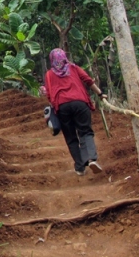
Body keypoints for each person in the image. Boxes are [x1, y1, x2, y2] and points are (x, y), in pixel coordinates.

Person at [40, 48, 107, 176]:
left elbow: (49, 94)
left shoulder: (49, 74)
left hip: (62, 107)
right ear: (64, 57)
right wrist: (100, 94)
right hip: (80, 103)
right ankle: (91, 159)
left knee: (71, 137)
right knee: (85, 131)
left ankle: (80, 167)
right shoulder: (73, 68)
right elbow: (88, 80)